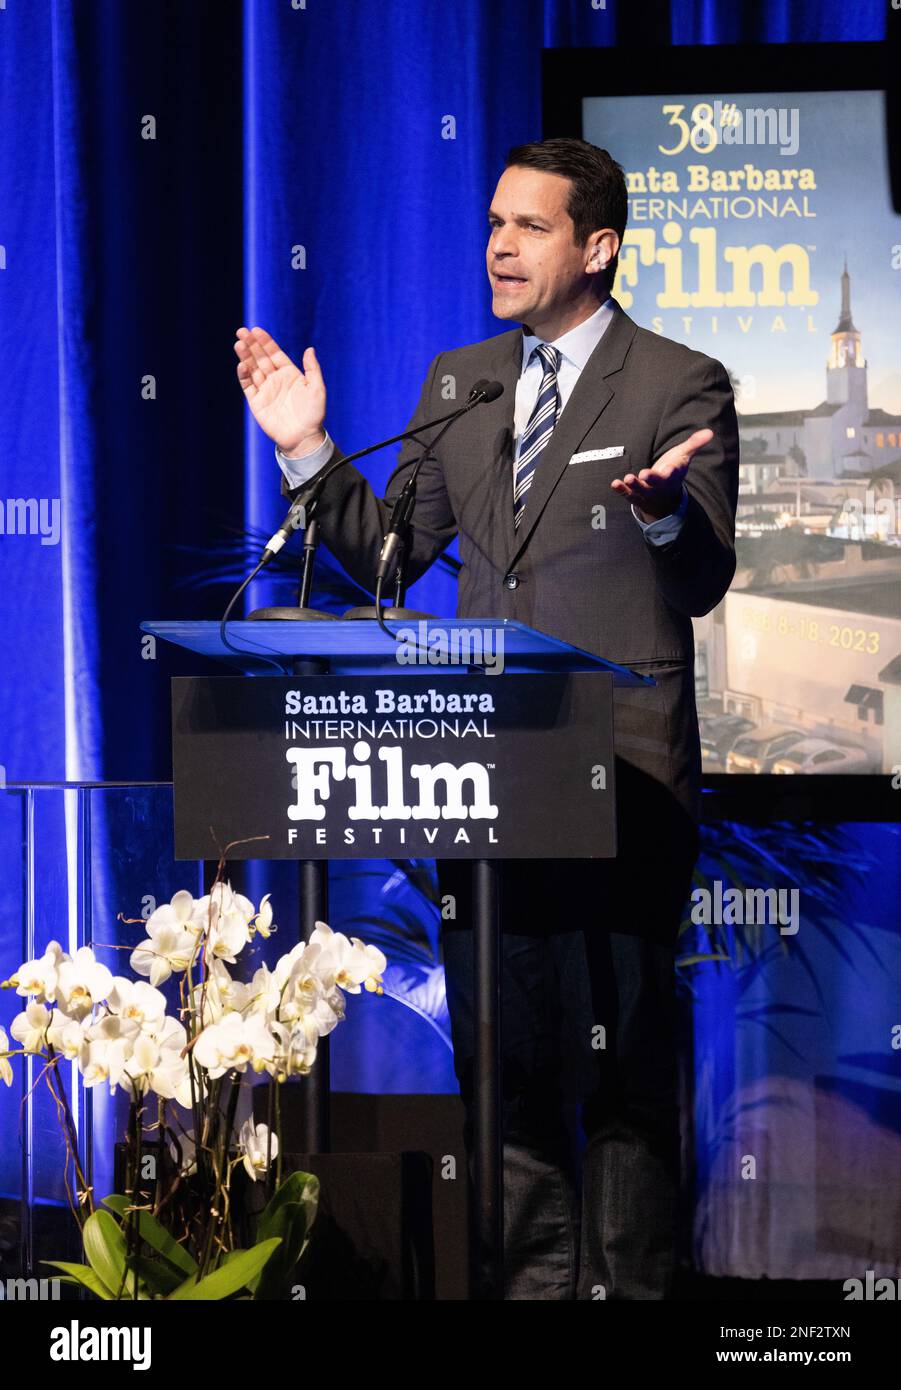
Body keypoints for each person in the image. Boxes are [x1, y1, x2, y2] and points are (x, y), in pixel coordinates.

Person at [234, 137, 739, 1300]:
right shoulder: (465, 380)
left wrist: (662, 517)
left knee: (618, 1096)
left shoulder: (678, 382)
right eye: (494, 223)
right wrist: (307, 450)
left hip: (622, 786)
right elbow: (389, 554)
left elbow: (704, 571)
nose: (498, 246)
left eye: (529, 227)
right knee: (501, 1085)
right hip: (485, 788)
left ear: (597, 246)